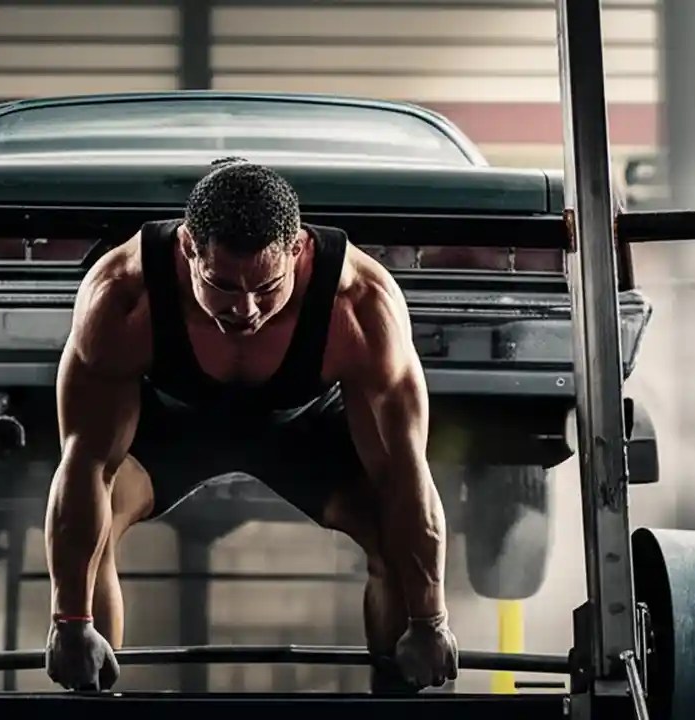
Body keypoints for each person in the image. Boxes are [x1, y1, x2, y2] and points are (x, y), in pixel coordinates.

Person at [42, 157, 458, 693]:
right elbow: (88, 465)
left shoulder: (359, 305)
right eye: (222, 285)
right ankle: (88, 689)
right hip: (173, 428)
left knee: (389, 526)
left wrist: (430, 621)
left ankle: (401, 699)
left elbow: (405, 473)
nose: (245, 309)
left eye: (266, 287)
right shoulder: (122, 296)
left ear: (297, 249)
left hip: (302, 431)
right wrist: (69, 622)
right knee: (96, 530)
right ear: (189, 248)